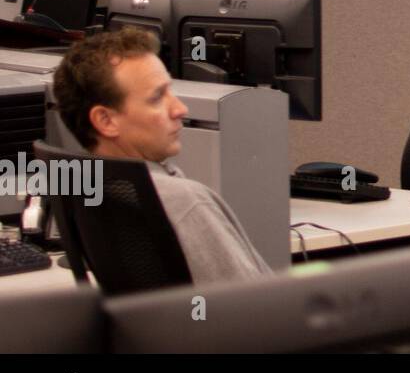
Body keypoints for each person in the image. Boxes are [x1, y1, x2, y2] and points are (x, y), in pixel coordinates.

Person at [51, 27, 272, 282]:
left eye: (171, 91)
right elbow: (257, 312)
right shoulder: (184, 203)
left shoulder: (87, 186)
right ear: (105, 120)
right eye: (157, 98)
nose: (180, 108)